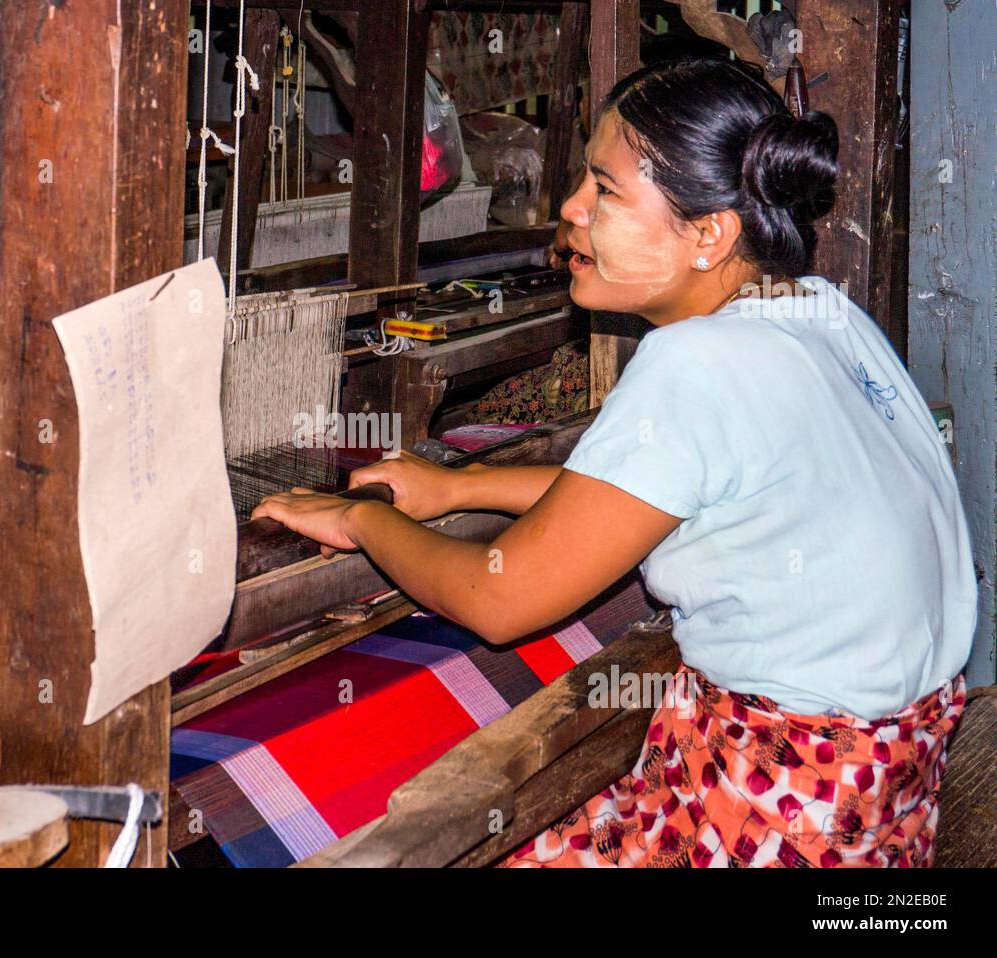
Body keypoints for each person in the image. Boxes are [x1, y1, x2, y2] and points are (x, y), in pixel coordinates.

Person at [252, 58, 976, 868]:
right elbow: (654, 491)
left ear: (709, 235)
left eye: (605, 190)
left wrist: (366, 519)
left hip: (774, 807)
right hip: (884, 802)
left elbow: (501, 599)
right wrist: (463, 486)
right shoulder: (822, 314)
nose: (570, 210)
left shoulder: (694, 363)